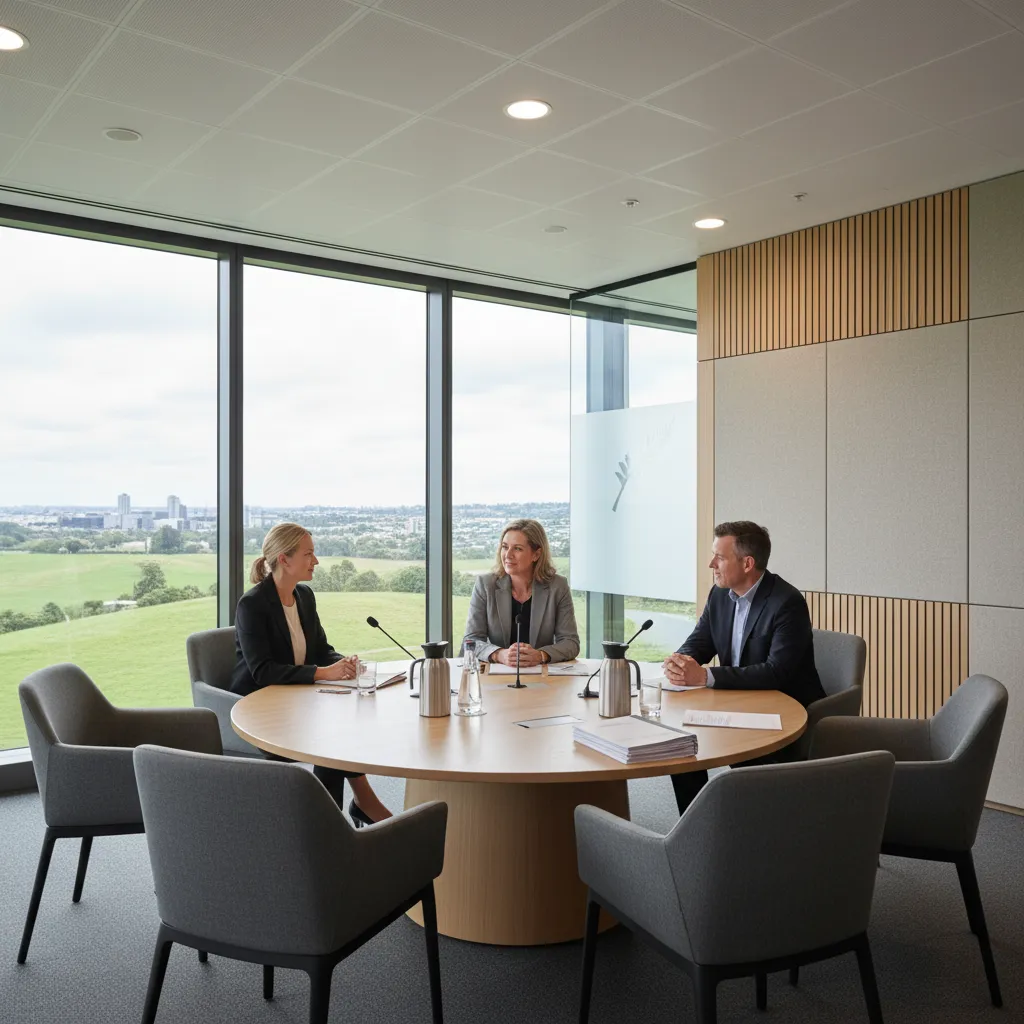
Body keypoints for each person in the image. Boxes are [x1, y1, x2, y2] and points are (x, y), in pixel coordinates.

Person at [231, 522, 391, 826]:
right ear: (284, 559)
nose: (315, 561)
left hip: (297, 699)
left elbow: (320, 648)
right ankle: (337, 819)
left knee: (342, 722)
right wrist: (322, 673)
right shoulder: (252, 605)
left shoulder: (304, 596)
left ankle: (337, 817)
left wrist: (344, 663)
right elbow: (263, 671)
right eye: (309, 554)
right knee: (330, 733)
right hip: (260, 708)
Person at [664, 520, 824, 814]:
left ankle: (752, 838)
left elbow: (776, 672)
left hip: (782, 712)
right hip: (736, 703)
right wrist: (680, 661)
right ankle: (699, 829)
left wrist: (705, 676)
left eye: (720, 557)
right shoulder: (719, 595)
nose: (712, 563)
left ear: (747, 563)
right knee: (682, 746)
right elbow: (701, 641)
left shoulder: (786, 603)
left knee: (747, 765)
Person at [463, 518, 580, 666]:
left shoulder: (557, 586)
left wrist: (540, 655)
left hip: (541, 678)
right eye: (505, 547)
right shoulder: (485, 585)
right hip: (497, 677)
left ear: (536, 555)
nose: (508, 555)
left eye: (517, 548)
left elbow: (571, 643)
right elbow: (471, 640)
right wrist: (499, 654)